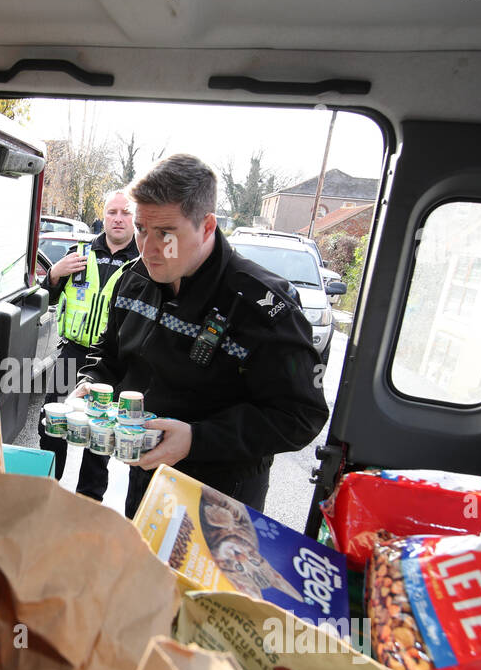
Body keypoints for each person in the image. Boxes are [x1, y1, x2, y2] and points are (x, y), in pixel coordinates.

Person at [71, 154, 329, 518]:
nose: (148, 248)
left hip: (220, 495)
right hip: (146, 478)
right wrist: (93, 380)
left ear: (207, 227)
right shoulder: (134, 278)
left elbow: (302, 415)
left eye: (166, 234)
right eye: (142, 229)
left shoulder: (261, 305)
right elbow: (110, 351)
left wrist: (197, 439)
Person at [37, 188, 138, 500]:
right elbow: (47, 300)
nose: (118, 219)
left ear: (135, 218)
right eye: (112, 212)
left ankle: (87, 502)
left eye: (126, 213)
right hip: (72, 353)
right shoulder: (79, 253)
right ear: (103, 216)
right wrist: (53, 275)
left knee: (99, 439)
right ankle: (46, 495)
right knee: (52, 427)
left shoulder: (144, 262)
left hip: (111, 363)